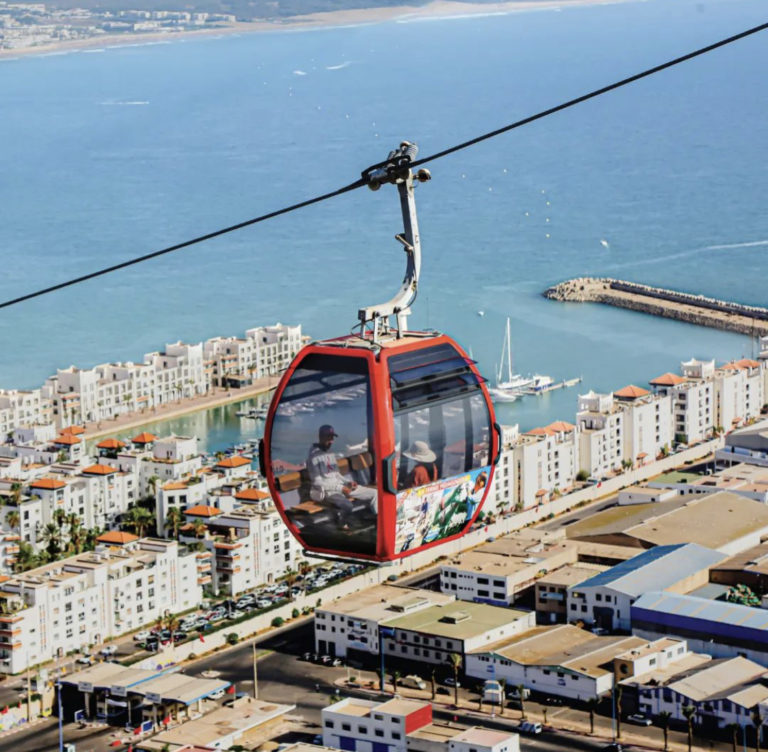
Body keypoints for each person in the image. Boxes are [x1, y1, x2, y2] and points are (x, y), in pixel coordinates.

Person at [306, 424, 376, 530]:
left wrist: (348, 482)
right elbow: (317, 482)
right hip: (328, 492)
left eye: (332, 438)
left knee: (375, 493)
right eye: (329, 438)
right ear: (321, 437)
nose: (332, 441)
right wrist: (340, 488)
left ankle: (378, 519)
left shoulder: (330, 454)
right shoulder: (313, 458)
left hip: (342, 487)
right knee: (348, 505)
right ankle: (342, 525)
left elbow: (337, 474)